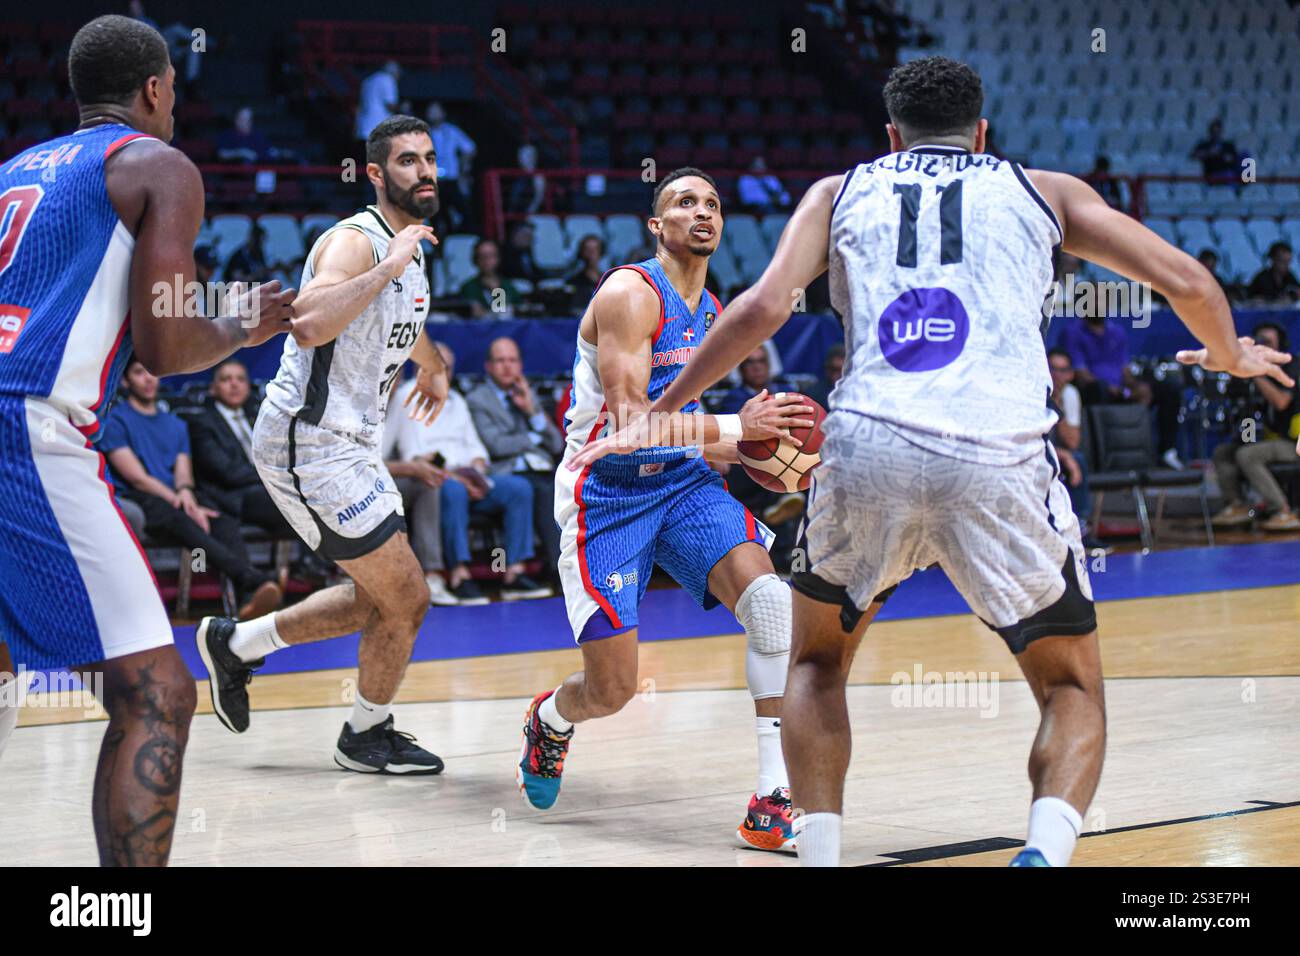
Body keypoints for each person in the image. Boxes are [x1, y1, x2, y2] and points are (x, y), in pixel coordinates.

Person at [572, 57, 1292, 867]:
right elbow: (1187, 279)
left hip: (869, 447)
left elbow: (762, 309)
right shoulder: (1045, 190)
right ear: (982, 132)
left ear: (890, 136)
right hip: (999, 453)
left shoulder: (839, 191)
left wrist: (660, 414)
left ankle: (820, 855)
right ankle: (1045, 852)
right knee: (1069, 687)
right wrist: (1229, 355)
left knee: (813, 662)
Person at [0, 14, 294, 866]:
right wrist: (240, 324)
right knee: (157, 691)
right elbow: (167, 346)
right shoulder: (158, 165)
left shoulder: (16, 169)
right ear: (157, 89)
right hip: (28, 426)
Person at [514, 167, 816, 854]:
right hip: (606, 497)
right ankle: (552, 720)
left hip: (680, 483)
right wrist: (740, 431)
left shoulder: (710, 309)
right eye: (685, 202)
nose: (702, 212)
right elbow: (631, 422)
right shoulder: (628, 293)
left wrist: (762, 454)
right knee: (612, 690)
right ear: (657, 225)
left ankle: (772, 799)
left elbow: (692, 437)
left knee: (771, 607)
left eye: (712, 202)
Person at [196, 115, 453, 776]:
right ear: (375, 174)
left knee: (379, 599)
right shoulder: (356, 242)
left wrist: (435, 363)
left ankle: (237, 643)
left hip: (352, 447)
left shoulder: (409, 252)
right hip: (306, 444)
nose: (423, 171)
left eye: (429, 159)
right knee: (410, 598)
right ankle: (364, 735)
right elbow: (308, 322)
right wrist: (389, 263)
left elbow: (404, 322)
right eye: (406, 161)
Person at [102, 358, 284, 614]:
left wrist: (187, 494)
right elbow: (137, 478)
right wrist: (179, 501)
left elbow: (183, 470)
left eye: (152, 373)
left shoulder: (175, 424)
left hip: (177, 496)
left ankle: (246, 598)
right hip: (142, 497)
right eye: (139, 373)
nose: (148, 379)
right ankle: (251, 579)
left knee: (222, 521)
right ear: (125, 380)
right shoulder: (116, 421)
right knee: (185, 522)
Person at [385, 341, 552, 604]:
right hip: (439, 481)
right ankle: (459, 574)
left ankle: (514, 573)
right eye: (434, 367)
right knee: (452, 489)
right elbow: (415, 459)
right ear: (419, 368)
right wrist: (459, 477)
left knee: (519, 488)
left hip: (470, 478)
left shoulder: (457, 400)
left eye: (446, 368)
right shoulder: (407, 397)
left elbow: (478, 450)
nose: (441, 374)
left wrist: (476, 471)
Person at [467, 336, 565, 583]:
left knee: (566, 485)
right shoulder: (477, 399)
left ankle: (567, 563)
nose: (507, 366)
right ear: (488, 366)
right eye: (500, 361)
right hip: (505, 473)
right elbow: (496, 446)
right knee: (544, 490)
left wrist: (531, 411)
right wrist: (532, 436)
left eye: (512, 360)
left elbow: (555, 443)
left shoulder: (525, 392)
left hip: (539, 469)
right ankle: (558, 568)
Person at [188, 359, 297, 541]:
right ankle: (313, 565)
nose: (234, 384)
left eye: (240, 379)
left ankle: (318, 565)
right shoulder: (202, 423)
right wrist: (274, 478)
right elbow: (227, 472)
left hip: (263, 488)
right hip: (233, 496)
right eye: (226, 379)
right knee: (289, 502)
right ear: (213, 388)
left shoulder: (259, 418)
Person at [1211, 321, 1300, 531]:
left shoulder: (1293, 366)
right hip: (1265, 434)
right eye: (1260, 342)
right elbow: (1243, 406)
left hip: (1292, 440)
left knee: (1247, 455)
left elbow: (1281, 402)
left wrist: (1256, 374)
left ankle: (1282, 510)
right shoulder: (1247, 371)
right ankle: (1237, 505)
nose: (1265, 346)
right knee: (1226, 452)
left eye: (1269, 342)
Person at [424, 101, 475, 232]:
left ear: (443, 113)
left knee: (464, 210)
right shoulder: (423, 132)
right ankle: (439, 245)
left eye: (436, 110)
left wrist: (464, 167)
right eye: (431, 111)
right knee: (436, 215)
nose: (434, 114)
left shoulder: (451, 131)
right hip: (432, 180)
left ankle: (460, 234)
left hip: (451, 178)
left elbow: (470, 148)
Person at [458, 238, 522, 317]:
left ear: (498, 258)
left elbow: (515, 311)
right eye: (483, 256)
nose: (487, 261)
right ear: (475, 260)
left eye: (491, 256)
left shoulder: (508, 286)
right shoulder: (468, 288)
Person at [355, 60, 401, 147]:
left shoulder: (367, 81)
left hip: (363, 130)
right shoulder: (388, 79)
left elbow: (360, 107)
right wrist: (402, 109)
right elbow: (390, 105)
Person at [565, 233, 605, 314]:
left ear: (601, 253)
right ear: (581, 253)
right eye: (588, 250)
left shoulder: (608, 280)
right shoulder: (573, 282)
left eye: (595, 250)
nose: (591, 254)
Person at [804, 343, 845, 409]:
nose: (835, 375)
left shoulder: (859, 394)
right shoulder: (813, 394)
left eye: (840, 370)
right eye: (832, 369)